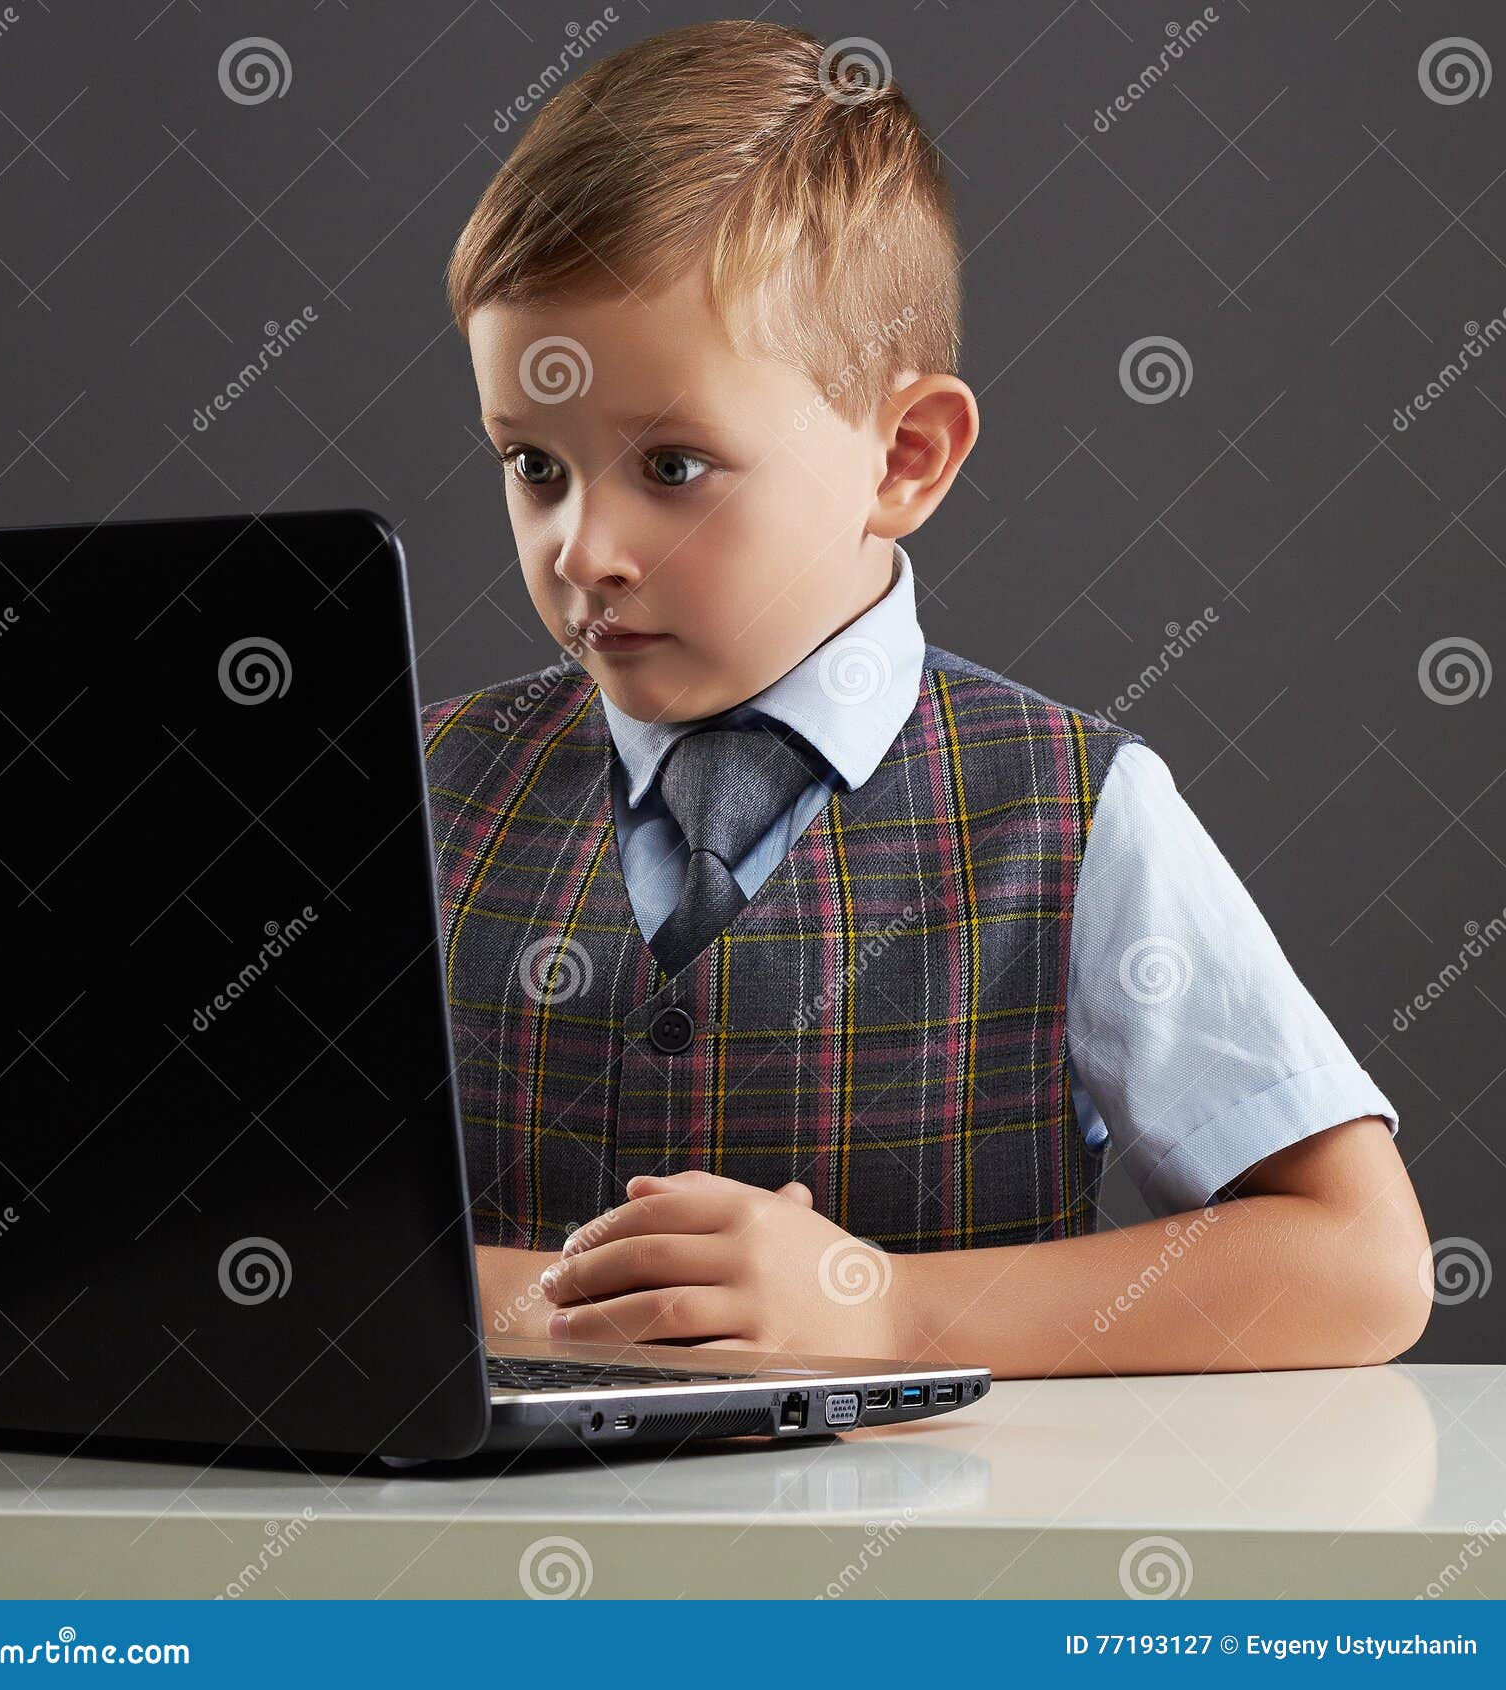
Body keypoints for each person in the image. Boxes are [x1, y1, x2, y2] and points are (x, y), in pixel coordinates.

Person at [422, 20, 1430, 1376]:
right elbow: (245, 1234)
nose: (582, 548)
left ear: (904, 455)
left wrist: (886, 1308)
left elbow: (1361, 1263)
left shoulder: (1070, 813)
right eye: (533, 465)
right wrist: (553, 1304)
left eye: (670, 468)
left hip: (936, 1522)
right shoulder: (414, 790)